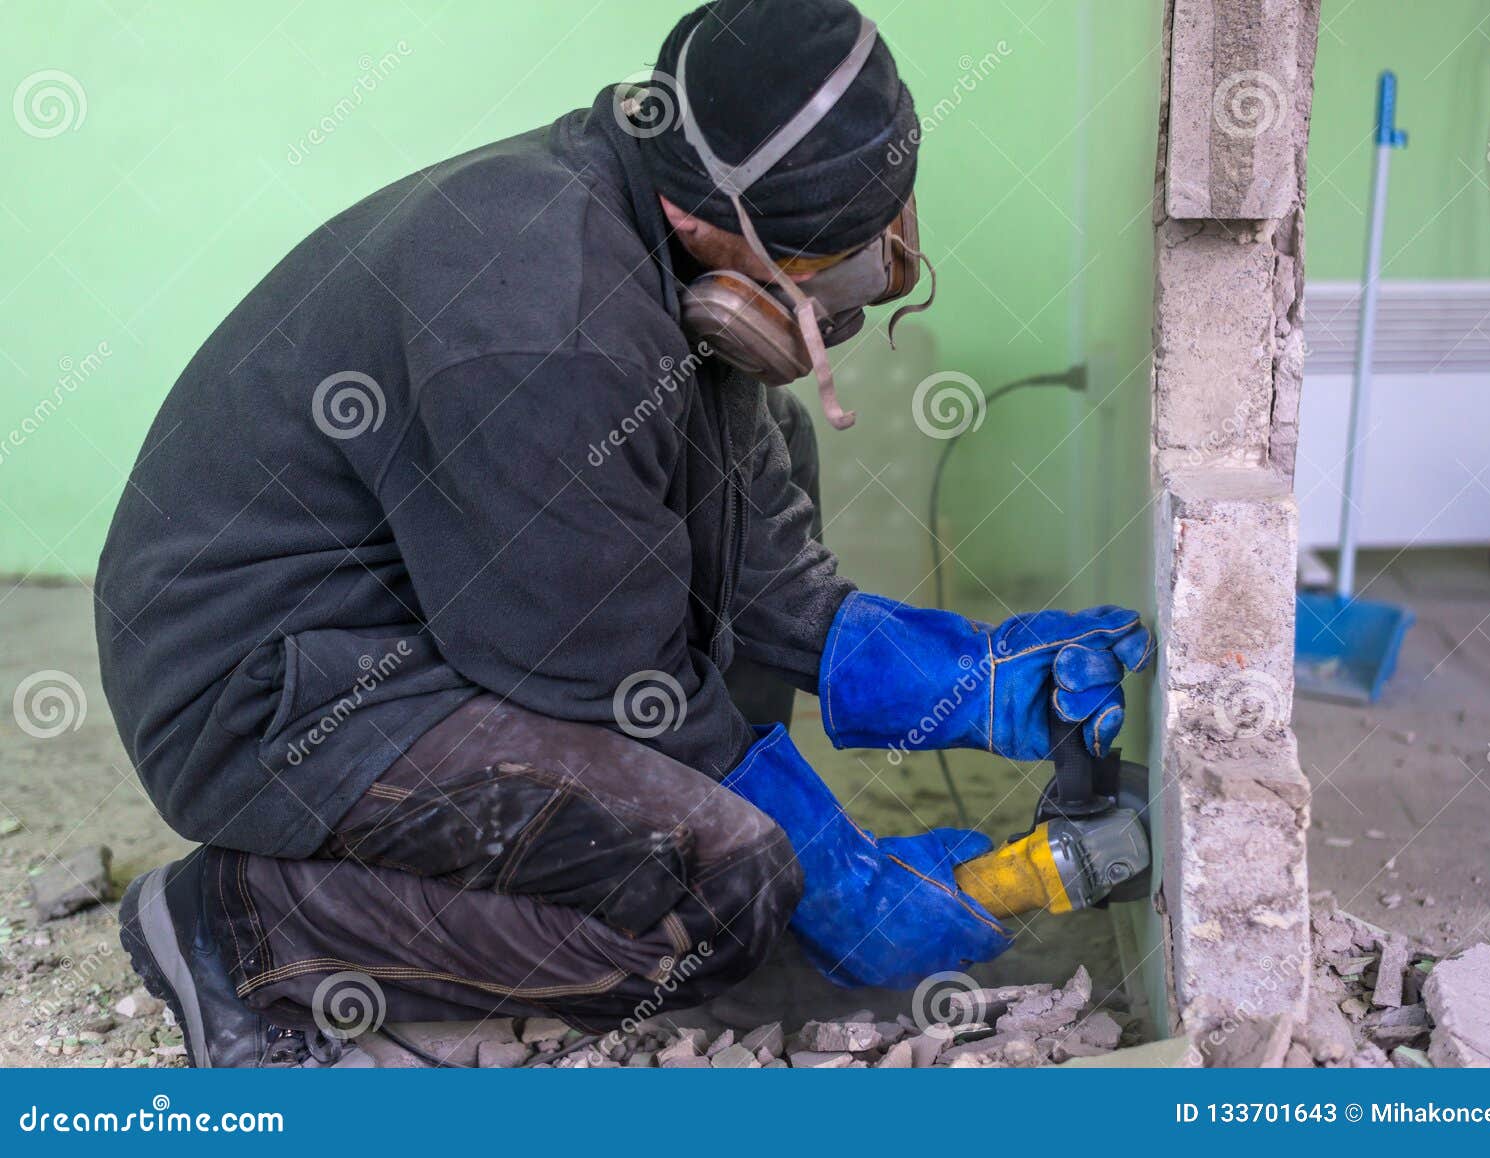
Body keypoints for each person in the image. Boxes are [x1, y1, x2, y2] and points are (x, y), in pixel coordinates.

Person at [99, 0, 1151, 1067]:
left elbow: (754, 577)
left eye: (879, 248)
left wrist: (968, 680)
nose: (854, 300)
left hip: (429, 618)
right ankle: (249, 925)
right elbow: (615, 685)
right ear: (698, 219)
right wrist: (827, 877)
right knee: (727, 889)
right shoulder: (545, 326)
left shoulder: (657, 251)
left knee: (776, 446)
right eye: (827, 270)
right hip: (274, 698)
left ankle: (700, 882)